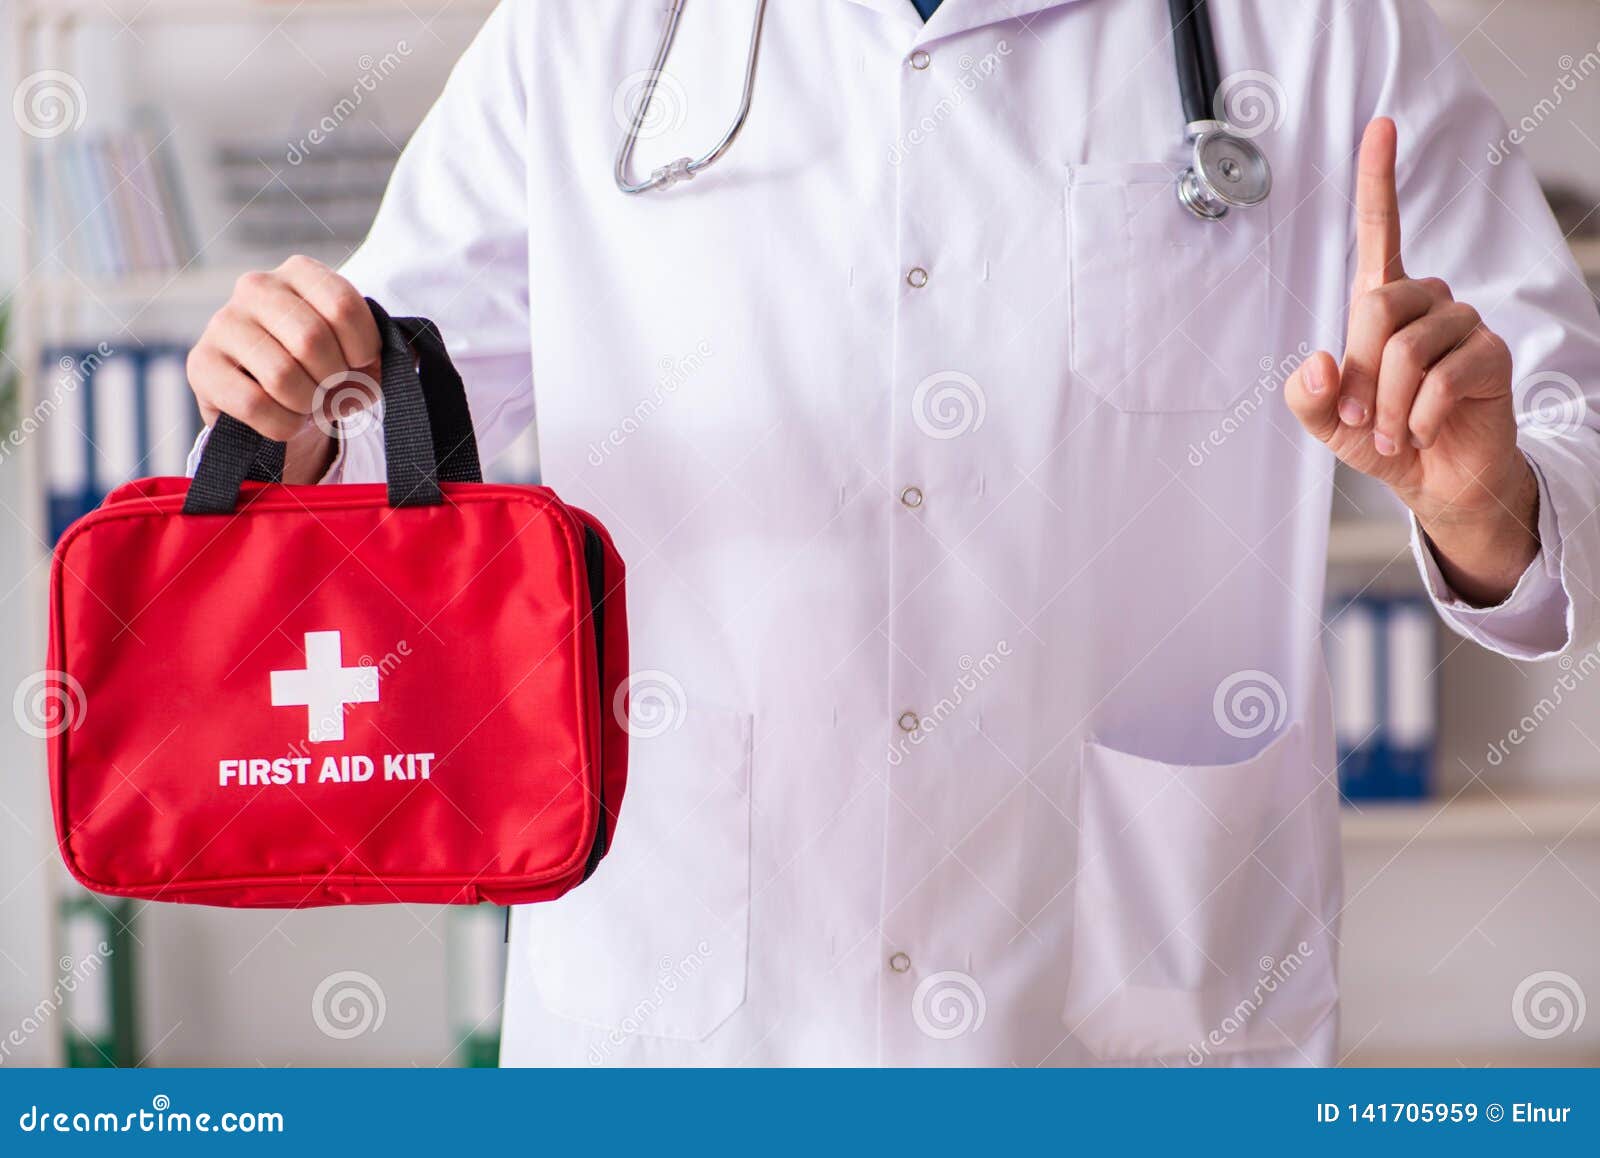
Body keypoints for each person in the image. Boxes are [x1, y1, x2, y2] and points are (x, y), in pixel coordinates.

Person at [184, 0, 1600, 1065]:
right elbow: (378, 429)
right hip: (685, 1015)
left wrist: (1495, 506)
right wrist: (294, 399)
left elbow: (1563, 422)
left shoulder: (1313, 25)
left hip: (1121, 1017)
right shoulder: (594, 29)